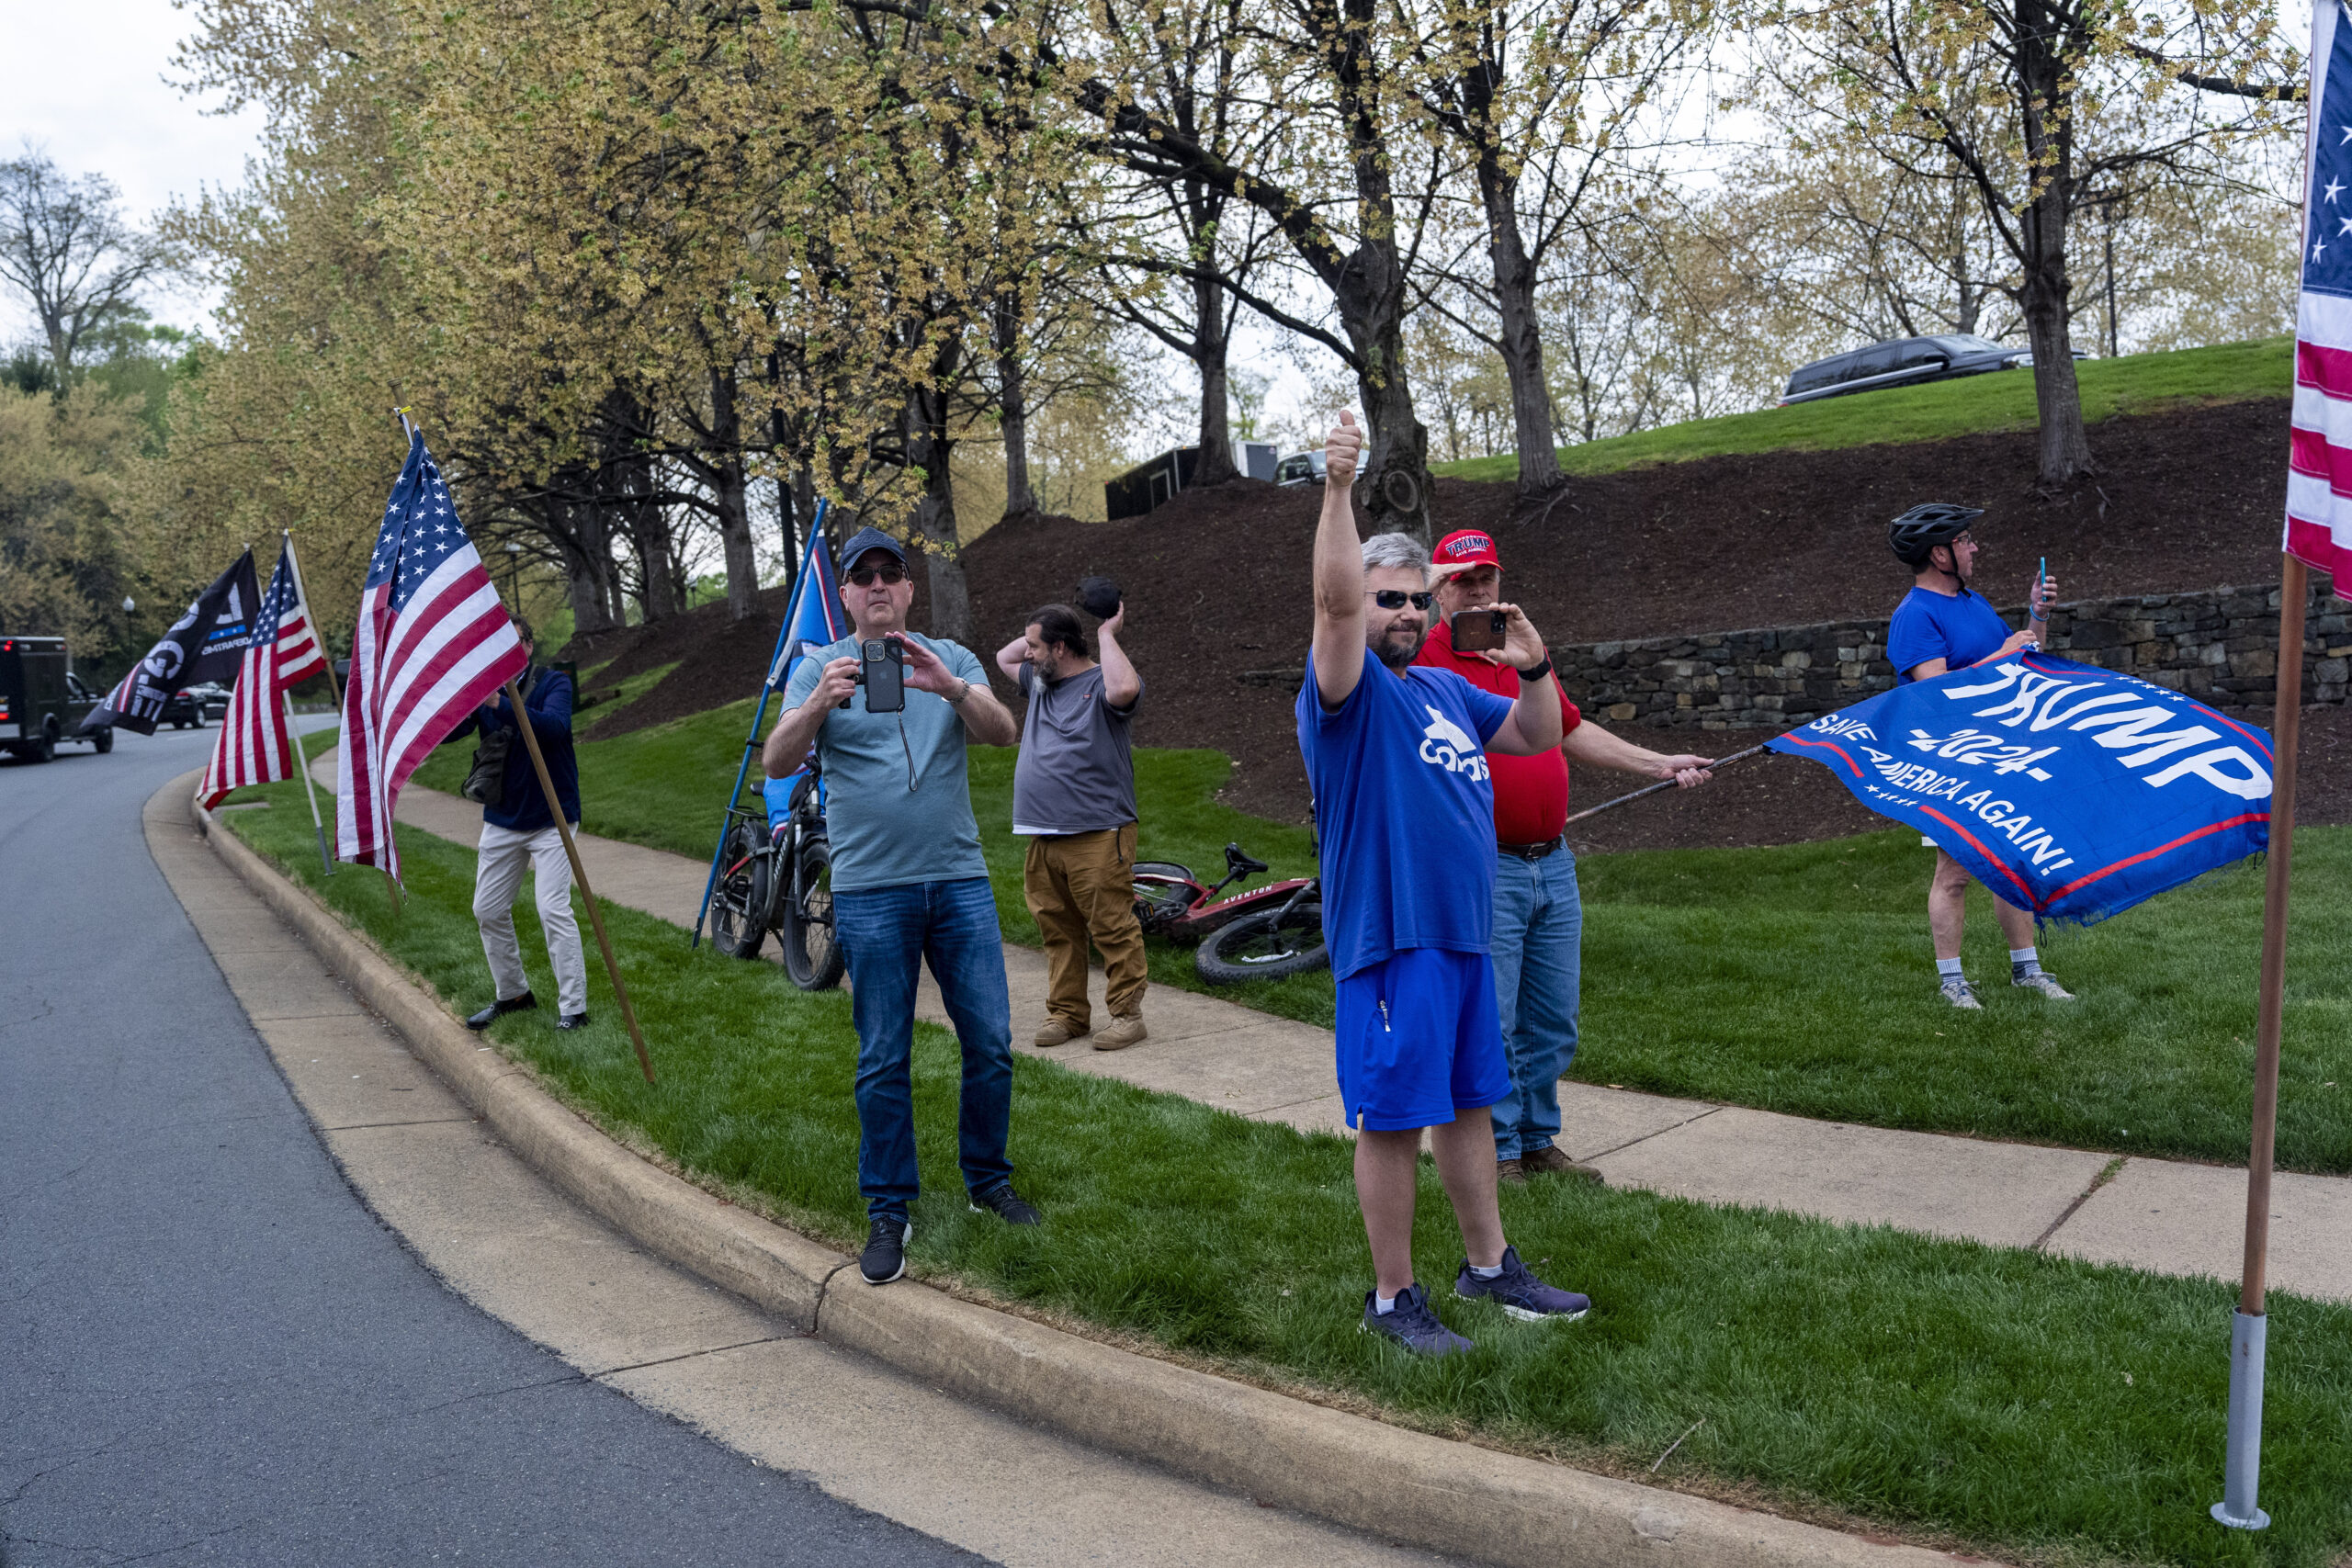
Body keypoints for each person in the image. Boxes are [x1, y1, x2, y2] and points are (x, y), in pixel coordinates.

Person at [1297, 410, 1592, 1358]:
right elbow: (1335, 609)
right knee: (1394, 1119)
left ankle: (1489, 1264)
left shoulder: (1440, 689)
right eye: (1391, 600)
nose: (1407, 615)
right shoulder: (1344, 692)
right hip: (1394, 937)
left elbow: (1536, 735)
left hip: (1464, 935)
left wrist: (1535, 664)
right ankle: (1392, 1298)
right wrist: (1339, 490)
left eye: (1416, 601)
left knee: (1469, 1104)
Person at [763, 526, 1040, 1288]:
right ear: (847, 593)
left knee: (990, 1041)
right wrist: (819, 702)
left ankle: (988, 1183)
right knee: (883, 1054)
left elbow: (1002, 731)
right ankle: (889, 1207)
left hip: (958, 882)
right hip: (869, 891)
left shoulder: (950, 658)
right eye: (864, 576)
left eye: (892, 573)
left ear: (910, 589)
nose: (879, 585)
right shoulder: (818, 665)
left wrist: (948, 688)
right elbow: (777, 763)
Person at [1418, 529, 1715, 1186]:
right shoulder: (1426, 662)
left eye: (1486, 577)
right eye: (1463, 580)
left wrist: (1658, 762)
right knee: (1489, 1019)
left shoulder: (1521, 651)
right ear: (1438, 590)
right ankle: (1495, 1152)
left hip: (1551, 861)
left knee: (1552, 1016)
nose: (1478, 590)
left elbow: (1569, 728)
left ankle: (1536, 1138)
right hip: (1481, 867)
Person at [1884, 502, 2075, 1009]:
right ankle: (1952, 983)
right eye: (1965, 539)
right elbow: (1937, 692)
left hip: (2004, 751)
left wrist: (2037, 614)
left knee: (2013, 860)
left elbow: (2024, 658)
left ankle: (2027, 970)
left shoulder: (1973, 602)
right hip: (1953, 757)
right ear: (1939, 553)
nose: (1975, 547)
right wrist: (2006, 651)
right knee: (1956, 870)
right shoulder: (1914, 615)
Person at [993, 600, 1148, 1051]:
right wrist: (1033, 633)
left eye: (1035, 646)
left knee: (1112, 927)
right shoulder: (1039, 682)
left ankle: (1127, 1015)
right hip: (1044, 834)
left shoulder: (1103, 681)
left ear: (1060, 648)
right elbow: (1004, 658)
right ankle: (1068, 1014)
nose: (1026, 654)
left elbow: (1124, 692)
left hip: (1099, 830)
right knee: (1057, 930)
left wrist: (1105, 634)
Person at [447, 626, 589, 1032]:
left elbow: (556, 728)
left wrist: (500, 702)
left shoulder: (553, 682)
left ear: (528, 645)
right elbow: (452, 731)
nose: (505, 650)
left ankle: (573, 1010)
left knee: (552, 909)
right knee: (487, 909)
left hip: (552, 819)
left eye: (514, 642)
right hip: (503, 819)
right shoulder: (484, 689)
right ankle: (514, 995)